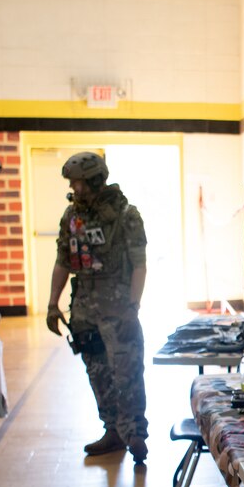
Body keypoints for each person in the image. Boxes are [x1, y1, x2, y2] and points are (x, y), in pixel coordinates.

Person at [45, 152, 149, 464]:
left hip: (118, 308)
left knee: (127, 371)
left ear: (93, 180)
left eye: (77, 181)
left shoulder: (126, 215)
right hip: (84, 310)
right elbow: (64, 261)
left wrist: (133, 307)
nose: (73, 187)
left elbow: (139, 266)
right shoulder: (71, 217)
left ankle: (136, 434)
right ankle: (113, 431)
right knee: (98, 372)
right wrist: (53, 303)